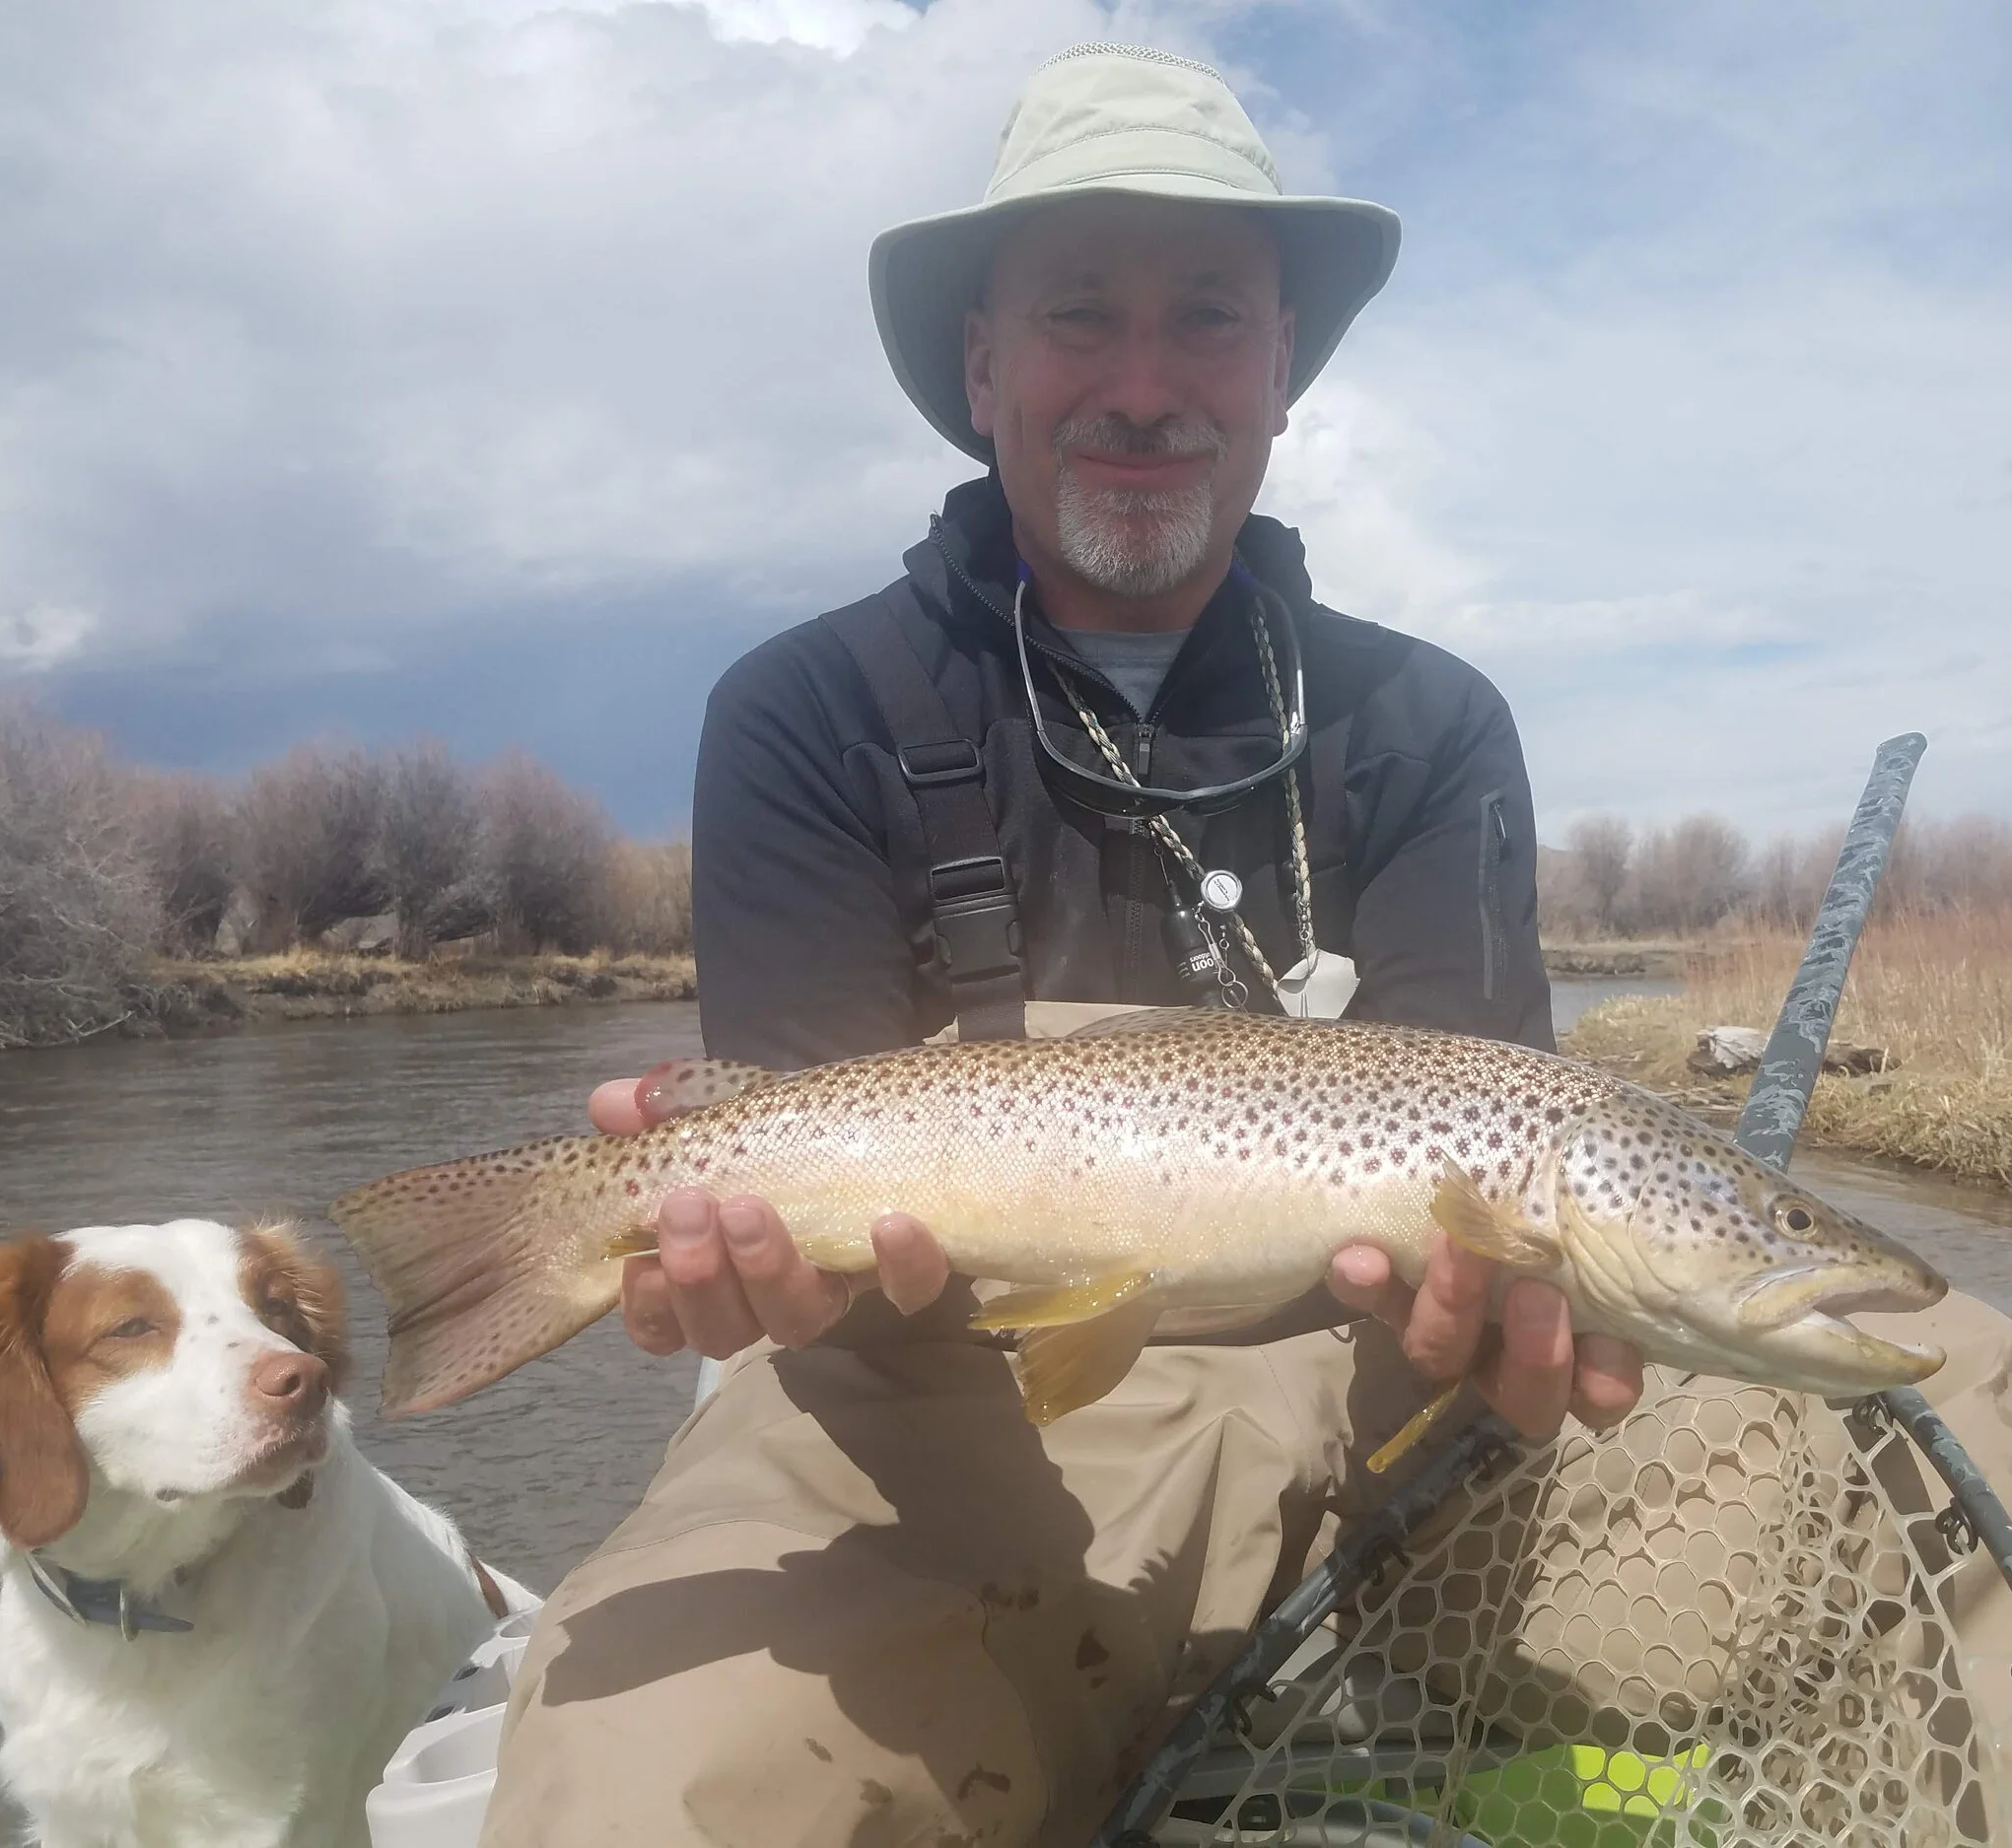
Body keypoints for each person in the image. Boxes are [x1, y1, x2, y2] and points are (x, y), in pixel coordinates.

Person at [482, 44, 1645, 1848]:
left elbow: (1476, 1149)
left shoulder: (1427, 722)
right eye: (1077, 315)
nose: (1142, 383)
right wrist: (733, 1247)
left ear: (1282, 374)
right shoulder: (804, 711)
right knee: (648, 1789)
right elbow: (796, 1198)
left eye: (1206, 320)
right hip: (929, 1402)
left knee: (1980, 1388)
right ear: (980, 364)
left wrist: (1508, 1326)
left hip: (1376, 1397)